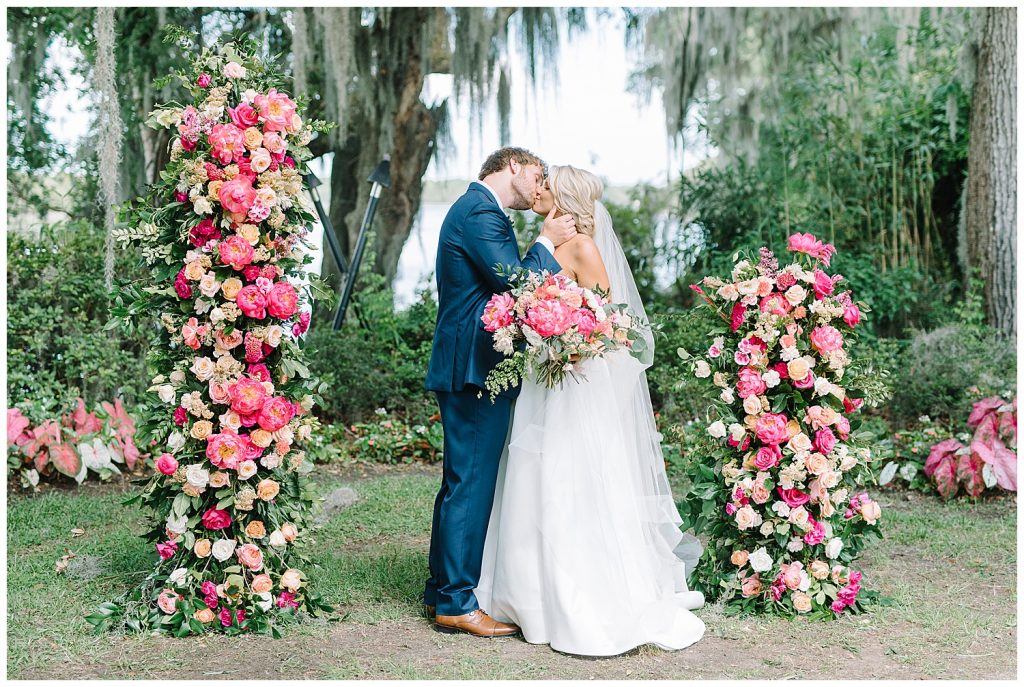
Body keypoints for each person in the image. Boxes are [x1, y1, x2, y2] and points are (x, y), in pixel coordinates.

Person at [474, 165, 706, 656]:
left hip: (574, 383)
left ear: (564, 196)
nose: (537, 190)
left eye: (545, 185)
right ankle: (525, 596)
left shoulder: (583, 246)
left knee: (568, 478)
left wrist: (574, 345)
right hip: (542, 380)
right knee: (530, 472)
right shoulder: (540, 246)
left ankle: (579, 595)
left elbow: (613, 324)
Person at [423, 147, 577, 637]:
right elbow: (517, 283)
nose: (540, 186)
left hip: (473, 364)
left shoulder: (478, 211)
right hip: (473, 368)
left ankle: (443, 591)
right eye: (537, 175)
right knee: (471, 483)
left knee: (462, 481)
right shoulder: (479, 211)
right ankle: (455, 602)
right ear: (512, 165)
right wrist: (547, 242)